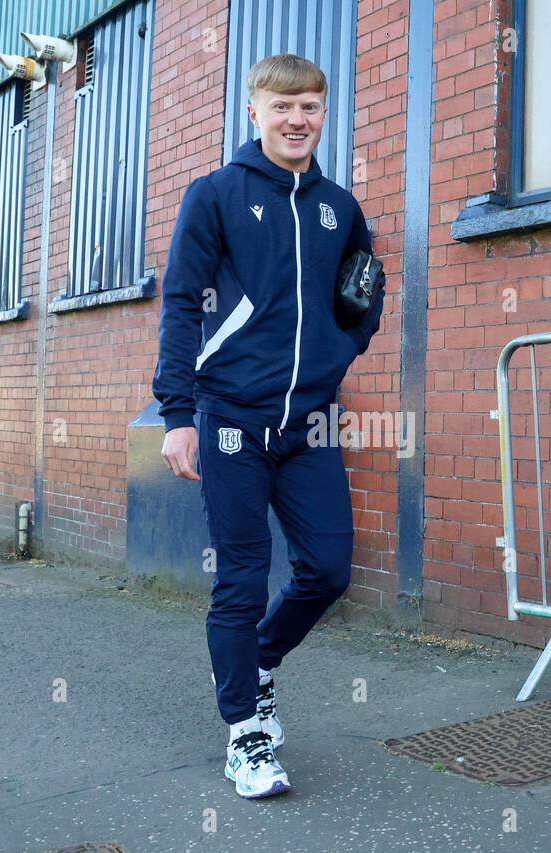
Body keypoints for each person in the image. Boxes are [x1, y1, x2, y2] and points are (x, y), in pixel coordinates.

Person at [151, 54, 386, 799]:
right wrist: (177, 414)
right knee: (243, 578)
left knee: (329, 570)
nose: (297, 120)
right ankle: (244, 731)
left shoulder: (339, 207)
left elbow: (364, 295)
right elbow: (182, 303)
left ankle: (259, 663)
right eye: (282, 107)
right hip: (232, 419)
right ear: (254, 112)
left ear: (323, 114)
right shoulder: (217, 195)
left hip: (309, 422)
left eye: (311, 107)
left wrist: (337, 350)